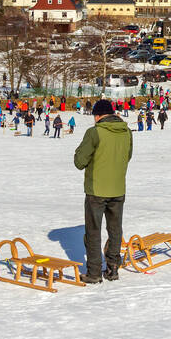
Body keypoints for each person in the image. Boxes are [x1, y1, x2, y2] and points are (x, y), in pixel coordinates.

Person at [74, 98, 134, 284]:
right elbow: (127, 156)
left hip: (97, 190)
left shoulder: (94, 132)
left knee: (93, 231)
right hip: (118, 188)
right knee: (115, 230)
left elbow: (79, 162)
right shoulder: (127, 132)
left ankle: (93, 272)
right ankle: (113, 268)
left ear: (98, 115)